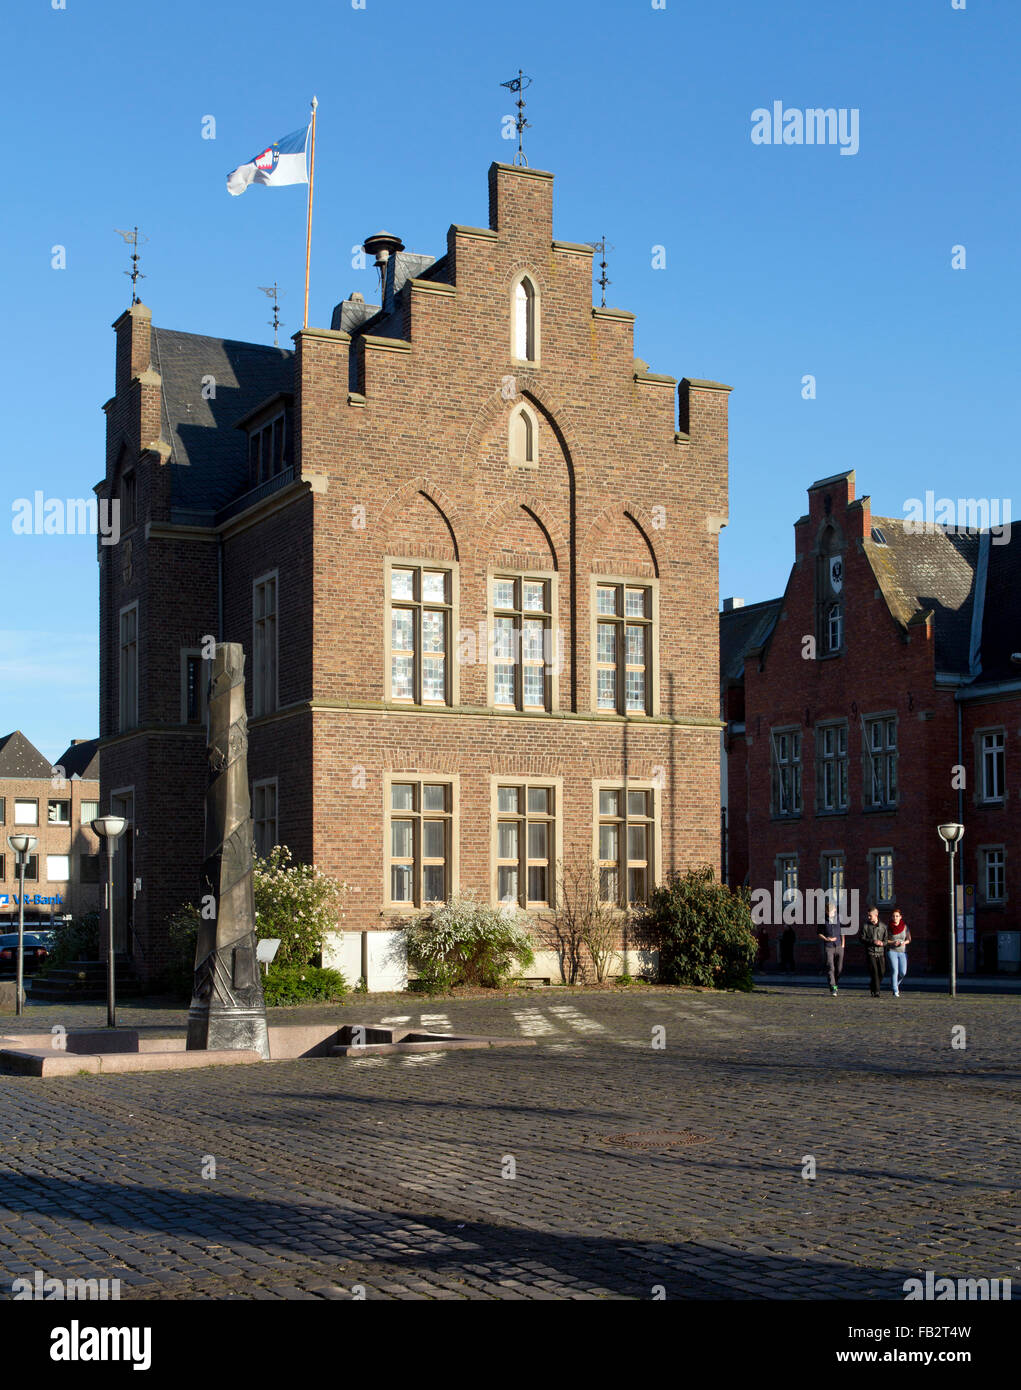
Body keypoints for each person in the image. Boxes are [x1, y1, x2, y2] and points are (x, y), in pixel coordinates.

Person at [817, 899, 844, 995]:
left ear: (835, 910)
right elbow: (819, 933)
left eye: (831, 912)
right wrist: (826, 939)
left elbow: (843, 931)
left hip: (839, 946)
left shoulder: (839, 918)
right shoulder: (822, 920)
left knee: (839, 969)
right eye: (828, 912)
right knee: (830, 967)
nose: (829, 914)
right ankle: (833, 987)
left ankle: (835, 984)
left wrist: (843, 945)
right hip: (829, 946)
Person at [860, 906, 889, 997]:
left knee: (882, 972)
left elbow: (886, 940)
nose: (869, 917)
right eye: (868, 916)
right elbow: (862, 939)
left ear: (876, 915)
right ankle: (877, 991)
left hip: (880, 952)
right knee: (874, 972)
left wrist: (882, 943)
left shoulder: (883, 926)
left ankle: (873, 985)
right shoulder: (865, 926)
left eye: (870, 916)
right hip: (871, 952)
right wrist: (873, 941)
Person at [886, 908, 911, 997]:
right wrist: (893, 942)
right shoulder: (888, 927)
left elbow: (909, 939)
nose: (895, 918)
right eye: (893, 916)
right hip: (892, 951)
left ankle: (895, 984)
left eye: (897, 916)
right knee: (894, 971)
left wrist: (904, 942)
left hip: (903, 951)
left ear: (900, 917)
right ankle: (895, 990)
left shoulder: (905, 926)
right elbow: (885, 940)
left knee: (903, 972)